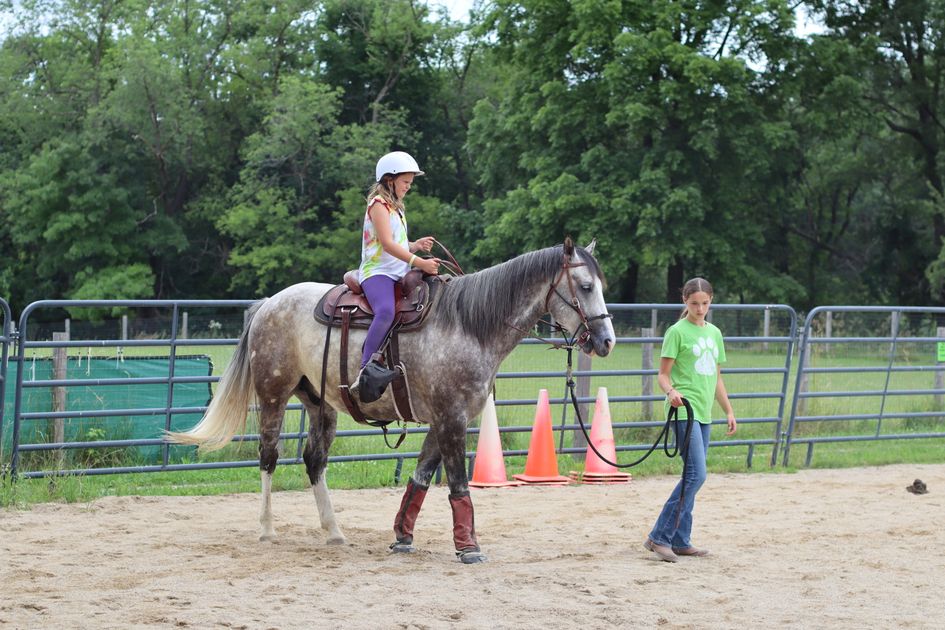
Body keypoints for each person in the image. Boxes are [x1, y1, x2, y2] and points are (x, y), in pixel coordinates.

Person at [644, 277, 736, 562]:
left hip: (704, 413)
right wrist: (670, 391)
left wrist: (728, 410)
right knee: (697, 474)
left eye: (705, 303)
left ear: (711, 301)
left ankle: (682, 539)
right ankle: (660, 537)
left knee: (692, 476)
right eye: (694, 303)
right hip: (684, 410)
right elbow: (662, 374)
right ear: (685, 301)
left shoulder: (714, 333)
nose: (700, 308)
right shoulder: (676, 332)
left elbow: (716, 377)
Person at [354, 151, 440, 402]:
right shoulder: (378, 206)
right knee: (386, 312)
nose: (408, 187)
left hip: (398, 271)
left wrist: (415, 245)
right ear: (390, 179)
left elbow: (399, 244)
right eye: (405, 182)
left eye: (410, 183)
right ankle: (365, 370)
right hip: (378, 272)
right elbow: (388, 245)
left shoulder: (397, 209)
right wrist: (420, 262)